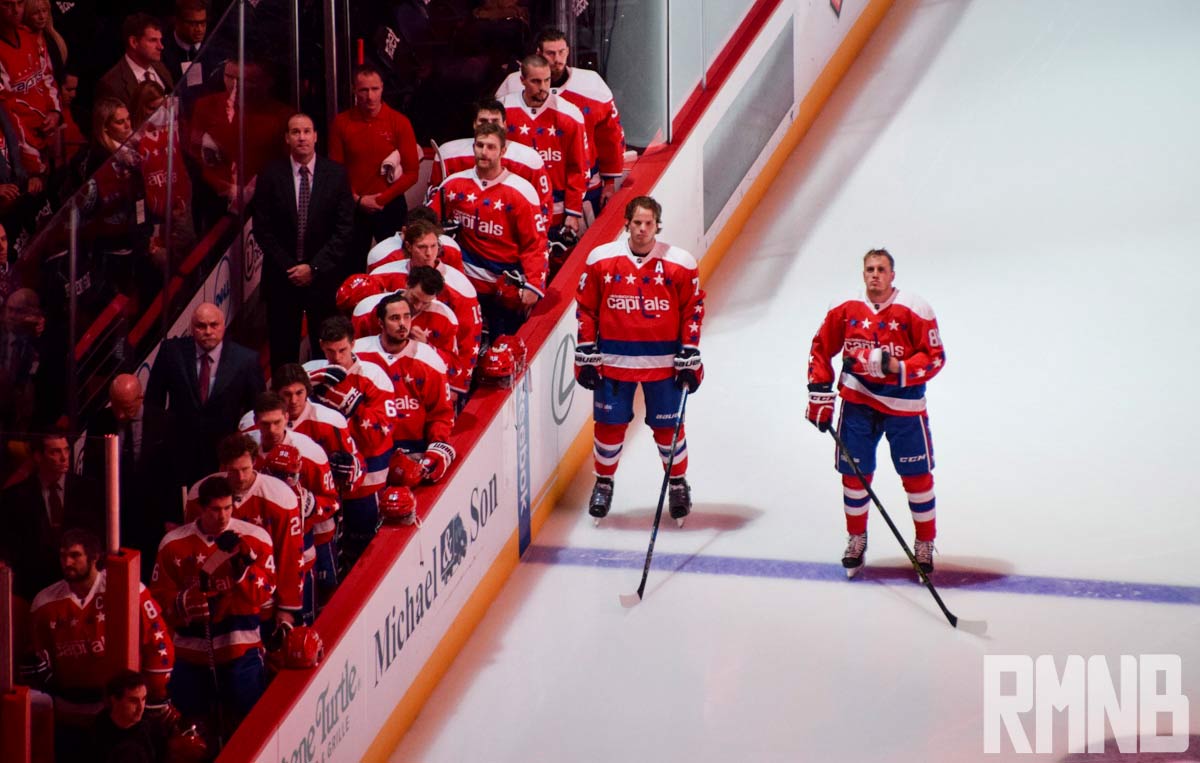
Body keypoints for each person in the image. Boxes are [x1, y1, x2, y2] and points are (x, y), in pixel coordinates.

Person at [805, 248, 946, 577]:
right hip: (859, 403)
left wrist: (899, 368)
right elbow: (821, 347)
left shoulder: (915, 308)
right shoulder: (844, 308)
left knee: (917, 478)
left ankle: (924, 543)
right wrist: (819, 392)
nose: (875, 274)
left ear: (892, 274)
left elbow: (935, 356)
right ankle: (856, 538)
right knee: (854, 477)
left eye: (882, 269)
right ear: (862, 273)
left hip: (905, 407)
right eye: (869, 268)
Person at [574, 196, 705, 525]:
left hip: (663, 364)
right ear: (626, 224)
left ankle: (677, 484)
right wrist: (587, 350)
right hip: (614, 361)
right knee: (609, 427)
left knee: (667, 429)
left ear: (657, 225)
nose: (643, 229)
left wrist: (689, 353)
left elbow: (693, 309)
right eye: (637, 223)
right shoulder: (602, 259)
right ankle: (603, 482)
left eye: (649, 223)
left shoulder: (680, 263)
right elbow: (586, 308)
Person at [28, 529, 174, 756]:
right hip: (67, 712)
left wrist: (155, 692)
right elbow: (35, 658)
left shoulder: (129, 590)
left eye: (75, 556)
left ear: (94, 557)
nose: (67, 562)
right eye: (63, 556)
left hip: (117, 715)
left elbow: (158, 643)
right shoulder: (43, 603)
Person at [151, 474, 275, 735]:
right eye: (215, 509)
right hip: (190, 651)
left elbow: (265, 594)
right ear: (201, 508)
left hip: (241, 647)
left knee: (247, 723)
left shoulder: (255, 538)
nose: (223, 516)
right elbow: (158, 599)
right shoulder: (173, 544)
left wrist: (243, 572)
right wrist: (182, 603)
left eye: (228, 508)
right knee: (189, 730)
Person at [253, 112, 354, 366]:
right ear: (287, 138)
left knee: (326, 348)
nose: (302, 137)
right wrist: (290, 267)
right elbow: (262, 229)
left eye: (307, 131)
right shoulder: (270, 175)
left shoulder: (336, 175)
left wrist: (314, 268)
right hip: (282, 277)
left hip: (323, 278)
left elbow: (343, 230)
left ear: (316, 136)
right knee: (283, 351)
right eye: (295, 132)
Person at [427, 121, 545, 337]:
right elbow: (425, 225)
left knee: (502, 350)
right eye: (480, 145)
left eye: (491, 147)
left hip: (504, 287)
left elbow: (535, 244)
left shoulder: (521, 192)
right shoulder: (453, 184)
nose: (484, 152)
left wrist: (533, 284)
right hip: (462, 285)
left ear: (503, 150)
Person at [496, 27, 626, 212]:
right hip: (524, 189)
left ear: (568, 51)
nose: (557, 59)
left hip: (586, 188)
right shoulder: (513, 84)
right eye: (550, 53)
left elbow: (610, 136)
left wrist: (610, 182)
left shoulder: (592, 84)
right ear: (538, 53)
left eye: (561, 52)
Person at [144, 302, 265, 498]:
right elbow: (153, 402)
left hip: (225, 454)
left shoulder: (246, 359)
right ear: (192, 328)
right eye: (201, 326)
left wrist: (244, 448)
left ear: (223, 325)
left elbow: (256, 410)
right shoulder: (171, 352)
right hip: (179, 451)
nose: (208, 331)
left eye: (213, 325)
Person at [185, 431, 306, 625]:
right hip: (215, 604)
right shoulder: (200, 494)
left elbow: (291, 556)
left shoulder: (281, 496)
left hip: (262, 601)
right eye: (233, 471)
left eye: (245, 469)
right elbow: (191, 546)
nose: (240, 477)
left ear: (255, 462)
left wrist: (287, 608)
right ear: (222, 466)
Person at [304, 316, 395, 567]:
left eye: (342, 350)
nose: (337, 357)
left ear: (353, 344)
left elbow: (380, 432)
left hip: (369, 475)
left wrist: (351, 404)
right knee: (334, 544)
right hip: (326, 476)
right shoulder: (310, 373)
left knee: (364, 540)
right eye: (330, 351)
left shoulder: (374, 375)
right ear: (321, 346)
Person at [368, 218, 482, 402]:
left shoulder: (460, 287)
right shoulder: (382, 275)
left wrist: (457, 385)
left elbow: (469, 341)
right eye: (422, 247)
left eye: (433, 246)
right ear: (408, 246)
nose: (429, 254)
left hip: (435, 372)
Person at [353, 292, 455, 480]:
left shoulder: (429, 359)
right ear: (381, 323)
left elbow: (441, 414)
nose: (403, 324)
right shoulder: (357, 354)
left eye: (406, 316)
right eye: (394, 318)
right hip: (366, 453)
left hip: (413, 453)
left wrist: (436, 448)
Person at [328, 65, 419, 268]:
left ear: (382, 88)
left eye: (375, 89)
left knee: (397, 264)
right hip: (352, 206)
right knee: (350, 266)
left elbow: (412, 172)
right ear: (354, 90)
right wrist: (357, 200)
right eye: (364, 90)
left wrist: (380, 199)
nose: (370, 96)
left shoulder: (399, 122)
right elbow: (335, 171)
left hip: (390, 204)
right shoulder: (341, 123)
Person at [0, 431, 102, 600]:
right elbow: (10, 544)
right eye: (55, 452)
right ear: (38, 456)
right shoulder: (15, 497)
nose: (64, 457)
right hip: (33, 588)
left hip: (78, 585)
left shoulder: (88, 490)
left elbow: (97, 537)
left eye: (66, 450)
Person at [499, 54, 587, 236]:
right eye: (536, 81)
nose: (543, 88)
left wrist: (573, 211)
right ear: (522, 80)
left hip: (555, 208)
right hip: (508, 204)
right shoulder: (501, 110)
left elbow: (578, 167)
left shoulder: (569, 114)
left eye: (547, 80)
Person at [428, 98, 552, 223]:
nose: (489, 126)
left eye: (495, 121)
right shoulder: (448, 152)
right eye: (483, 121)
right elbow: (435, 200)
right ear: (474, 124)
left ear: (504, 124)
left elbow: (543, 207)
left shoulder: (529, 158)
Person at [0, 0, 61, 186]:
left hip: (49, 129)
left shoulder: (29, 36)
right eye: (7, 4)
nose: (16, 10)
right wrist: (29, 155)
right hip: (24, 148)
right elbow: (7, 111)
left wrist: (55, 111)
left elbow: (46, 76)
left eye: (19, 3)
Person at [90, 670, 172, 763]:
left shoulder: (152, 729)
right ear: (114, 700)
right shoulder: (98, 733)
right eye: (133, 701)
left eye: (143, 699)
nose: (141, 707)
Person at [97, 13, 173, 108]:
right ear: (134, 42)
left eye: (160, 40)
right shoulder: (111, 84)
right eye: (153, 40)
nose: (161, 47)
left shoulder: (161, 67)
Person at [161, 0, 208, 84]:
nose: (200, 29)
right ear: (177, 22)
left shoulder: (213, 45)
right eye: (193, 24)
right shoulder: (161, 50)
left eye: (203, 23)